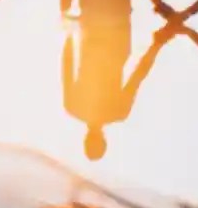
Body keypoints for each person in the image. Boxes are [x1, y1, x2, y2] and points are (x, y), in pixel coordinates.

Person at [62, 24, 175, 160]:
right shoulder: (72, 107)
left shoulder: (119, 113)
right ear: (85, 140)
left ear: (104, 141)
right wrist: (69, 30)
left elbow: (139, 74)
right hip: (93, 33)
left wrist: (157, 45)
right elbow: (67, 64)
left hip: (116, 41)